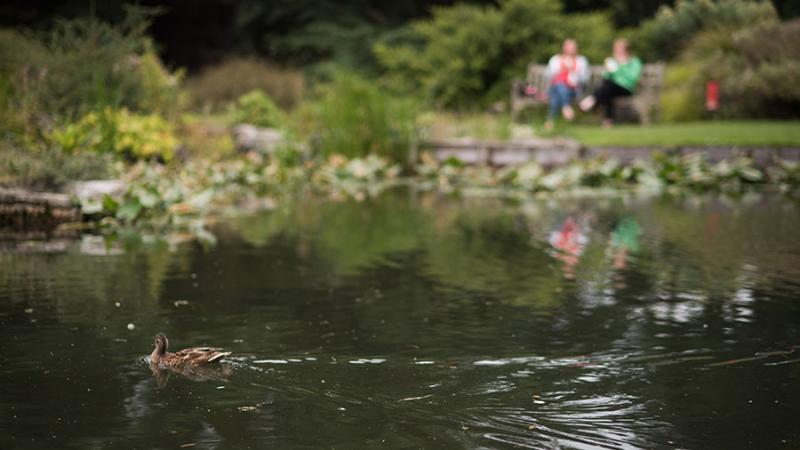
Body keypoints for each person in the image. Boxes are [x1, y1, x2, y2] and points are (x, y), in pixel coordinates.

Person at [579, 38, 642, 127]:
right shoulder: (613, 61)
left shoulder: (634, 62)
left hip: (626, 89)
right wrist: (609, 70)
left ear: (626, 51)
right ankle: (608, 120)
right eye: (616, 50)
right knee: (607, 88)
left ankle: (593, 101)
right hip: (610, 89)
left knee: (608, 87)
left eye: (620, 51)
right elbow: (605, 77)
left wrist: (619, 68)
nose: (617, 53)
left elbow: (632, 79)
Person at [544, 38, 590, 131]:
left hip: (574, 90)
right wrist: (562, 69)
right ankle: (566, 106)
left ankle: (550, 121)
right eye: (569, 47)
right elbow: (548, 76)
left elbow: (585, 79)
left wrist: (573, 71)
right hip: (556, 87)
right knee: (559, 85)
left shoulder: (581, 61)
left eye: (573, 48)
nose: (572, 50)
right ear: (564, 48)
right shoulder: (556, 59)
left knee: (556, 94)